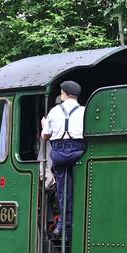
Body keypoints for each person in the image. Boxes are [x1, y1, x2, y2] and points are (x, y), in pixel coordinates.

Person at [40, 80, 87, 240]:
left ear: (63, 94)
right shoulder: (84, 111)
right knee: (78, 190)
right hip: (78, 153)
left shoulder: (54, 112)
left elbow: (45, 137)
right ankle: (73, 224)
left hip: (59, 154)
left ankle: (63, 226)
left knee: (63, 191)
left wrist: (44, 125)